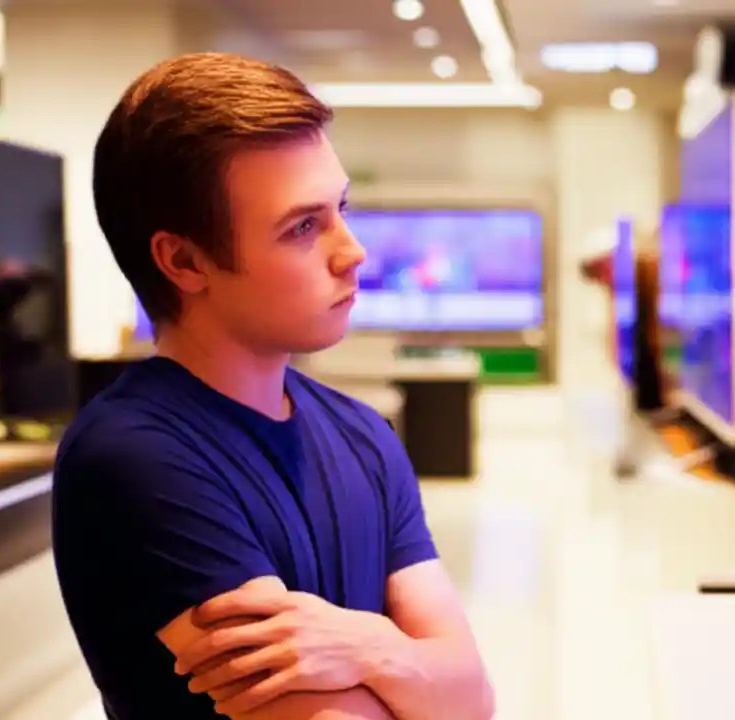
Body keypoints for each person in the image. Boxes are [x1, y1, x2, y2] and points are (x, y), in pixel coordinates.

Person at [51, 53, 494, 720]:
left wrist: (371, 647)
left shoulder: (364, 433)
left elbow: (471, 695)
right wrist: (415, 672)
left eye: (340, 209)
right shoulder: (136, 457)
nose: (353, 252)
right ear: (184, 260)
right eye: (303, 227)